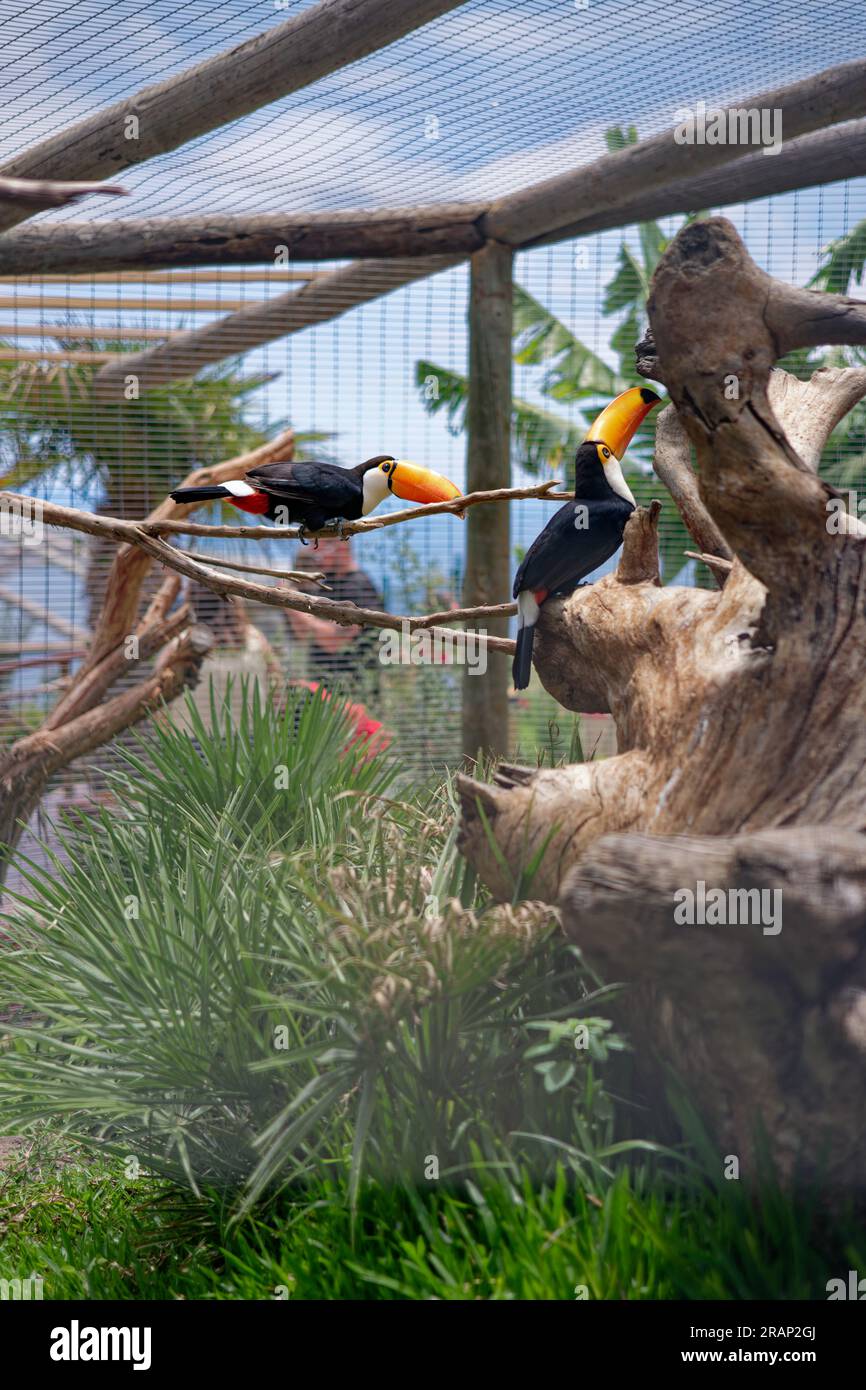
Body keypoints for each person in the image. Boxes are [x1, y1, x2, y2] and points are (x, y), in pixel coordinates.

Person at [280, 538, 383, 694]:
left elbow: (333, 641)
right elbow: (303, 635)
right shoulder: (328, 583)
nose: (315, 551)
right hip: (322, 688)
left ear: (341, 545)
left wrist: (291, 604)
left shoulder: (358, 587)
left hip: (352, 691)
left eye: (321, 544)